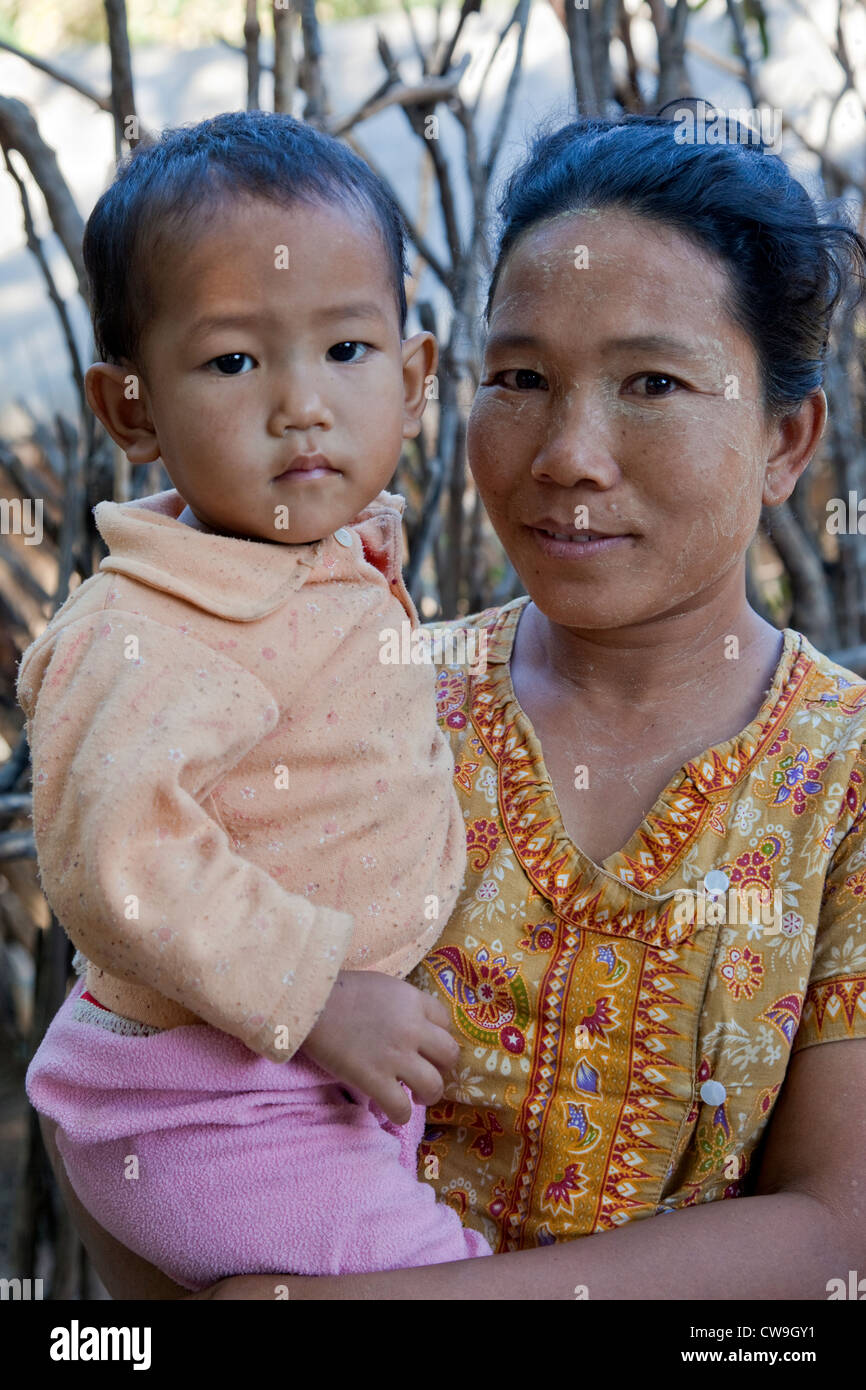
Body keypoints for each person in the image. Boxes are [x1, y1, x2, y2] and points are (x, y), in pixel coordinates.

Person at [129, 107, 864, 1299]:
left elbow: (836, 1233)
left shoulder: (843, 780)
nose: (567, 452)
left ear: (786, 438)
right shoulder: (352, 697)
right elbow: (145, 1077)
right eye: (518, 377)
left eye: (651, 382)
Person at [18, 110, 491, 1291]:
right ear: (130, 411)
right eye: (233, 361)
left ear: (414, 373)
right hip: (201, 1100)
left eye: (345, 352)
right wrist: (317, 993)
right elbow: (118, 861)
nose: (301, 404)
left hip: (293, 1083)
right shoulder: (143, 628)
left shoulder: (321, 554)